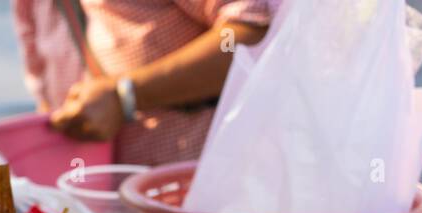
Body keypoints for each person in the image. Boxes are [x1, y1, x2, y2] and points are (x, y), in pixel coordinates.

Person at [14, 0, 279, 165]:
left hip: (197, 188)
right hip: (94, 195)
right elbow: (42, 87)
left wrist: (126, 95)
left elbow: (241, 37)